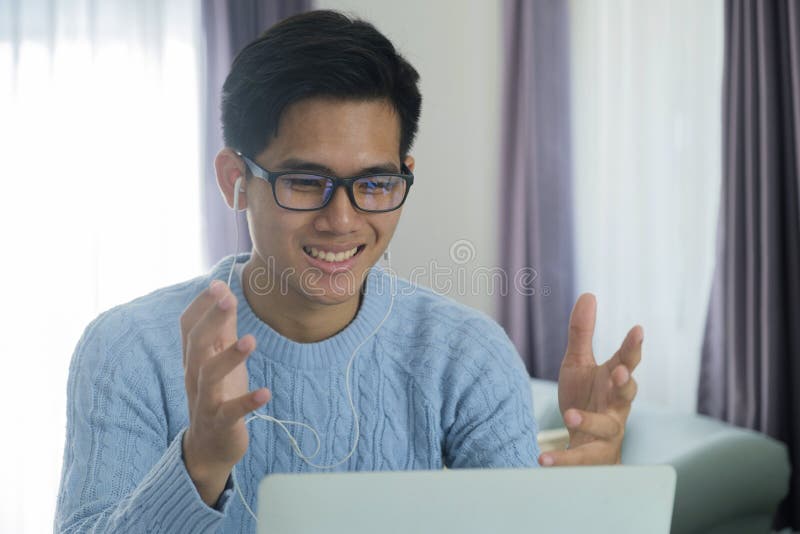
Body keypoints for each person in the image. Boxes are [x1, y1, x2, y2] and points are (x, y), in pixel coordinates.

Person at [55, 10, 642, 533]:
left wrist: (592, 496)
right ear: (236, 181)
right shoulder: (128, 350)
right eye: (306, 182)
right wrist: (200, 463)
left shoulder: (467, 355)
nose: (343, 220)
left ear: (403, 174)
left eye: (375, 184)